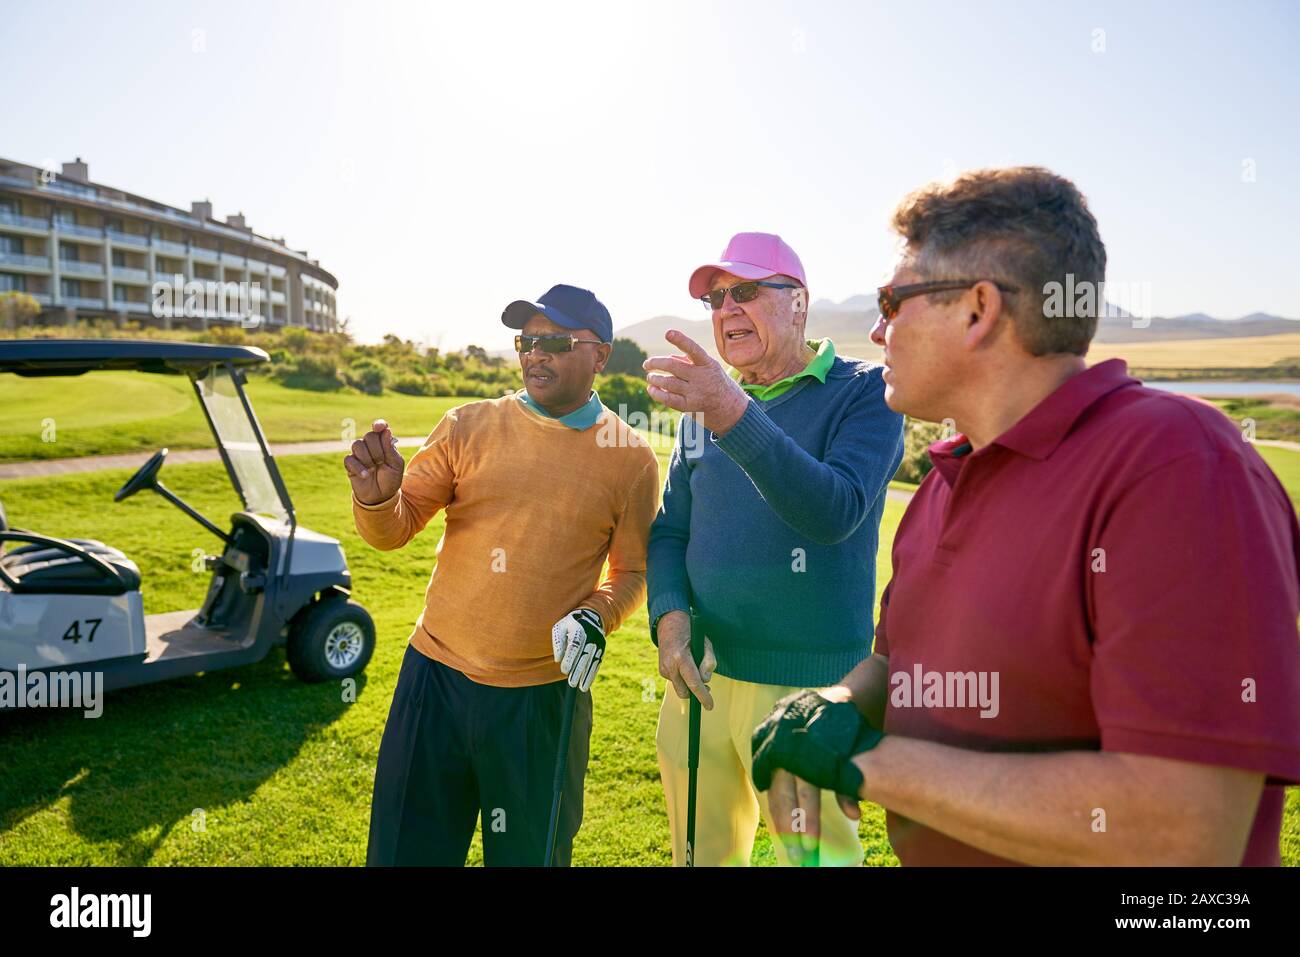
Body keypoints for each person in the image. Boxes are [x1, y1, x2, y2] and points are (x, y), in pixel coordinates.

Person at [751, 167, 1300, 866]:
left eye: (893, 300)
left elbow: (1184, 829)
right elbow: (901, 663)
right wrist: (836, 703)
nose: (876, 328)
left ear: (978, 310)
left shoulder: (1176, 464)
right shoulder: (944, 483)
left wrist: (868, 764)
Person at [350, 283, 659, 866]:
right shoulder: (467, 423)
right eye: (528, 340)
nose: (536, 353)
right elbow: (395, 530)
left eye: (556, 341)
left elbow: (634, 571)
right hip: (433, 680)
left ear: (600, 355)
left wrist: (595, 616)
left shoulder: (631, 456)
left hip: (542, 702)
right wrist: (377, 502)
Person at [643, 231, 904, 865]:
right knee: (698, 857)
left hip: (811, 689)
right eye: (715, 299)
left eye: (745, 292)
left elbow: (832, 511)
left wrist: (731, 411)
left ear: (799, 303)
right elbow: (671, 529)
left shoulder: (866, 392)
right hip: (700, 675)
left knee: (816, 861)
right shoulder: (703, 409)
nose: (726, 309)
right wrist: (670, 621)